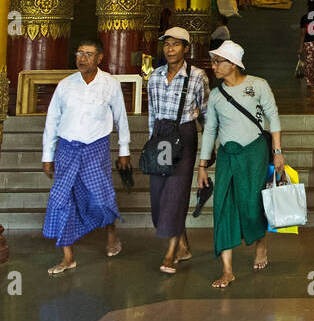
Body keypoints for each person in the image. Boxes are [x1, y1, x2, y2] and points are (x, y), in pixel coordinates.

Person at [41, 39, 130, 275]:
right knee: (62, 200)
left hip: (96, 148)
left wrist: (124, 151)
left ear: (100, 58)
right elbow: (52, 121)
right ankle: (67, 257)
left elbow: (121, 119)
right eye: (79, 53)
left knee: (101, 197)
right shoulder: (65, 85)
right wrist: (48, 155)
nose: (82, 58)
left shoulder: (109, 84)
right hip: (67, 149)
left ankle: (111, 232)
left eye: (88, 54)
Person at [200, 41, 284, 288]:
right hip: (227, 155)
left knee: (251, 204)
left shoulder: (257, 85)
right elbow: (210, 130)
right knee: (223, 207)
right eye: (213, 61)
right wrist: (202, 165)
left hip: (254, 153)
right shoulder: (215, 95)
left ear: (234, 64)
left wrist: (277, 151)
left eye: (218, 61)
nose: (214, 66)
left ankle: (261, 243)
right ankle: (227, 269)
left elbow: (274, 117)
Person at [144, 27, 209, 274]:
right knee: (159, 192)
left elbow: (204, 112)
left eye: (176, 45)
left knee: (176, 190)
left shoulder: (197, 76)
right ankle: (183, 245)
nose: (170, 49)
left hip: (184, 134)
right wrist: (152, 140)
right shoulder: (156, 76)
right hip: (161, 136)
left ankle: (170, 253)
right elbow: (152, 113)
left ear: (186, 49)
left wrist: (208, 147)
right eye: (167, 44)